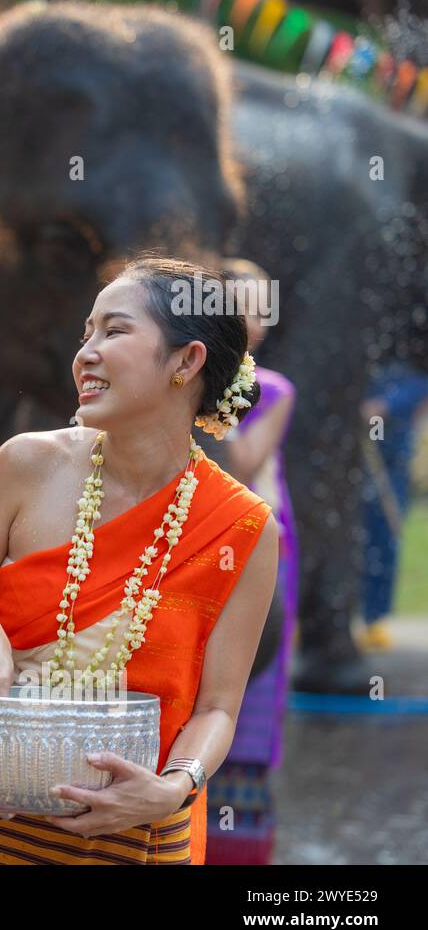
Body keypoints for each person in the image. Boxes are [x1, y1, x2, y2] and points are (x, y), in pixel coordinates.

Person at [0, 256, 279, 865]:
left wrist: (174, 787)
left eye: (113, 332)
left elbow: (219, 706)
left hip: (133, 835)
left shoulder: (241, 525)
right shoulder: (24, 465)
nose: (85, 353)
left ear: (187, 361)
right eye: (86, 332)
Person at [207, 258, 298, 864]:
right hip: (199, 542)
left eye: (259, 307)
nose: (253, 319)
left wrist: (217, 389)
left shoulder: (274, 389)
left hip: (261, 544)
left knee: (252, 686)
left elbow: (240, 461)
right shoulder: (176, 373)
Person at [360, 359, 428, 646]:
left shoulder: (411, 367)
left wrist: (383, 406)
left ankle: (375, 618)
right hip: (357, 460)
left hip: (391, 464)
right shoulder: (365, 363)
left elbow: (420, 386)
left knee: (385, 538)